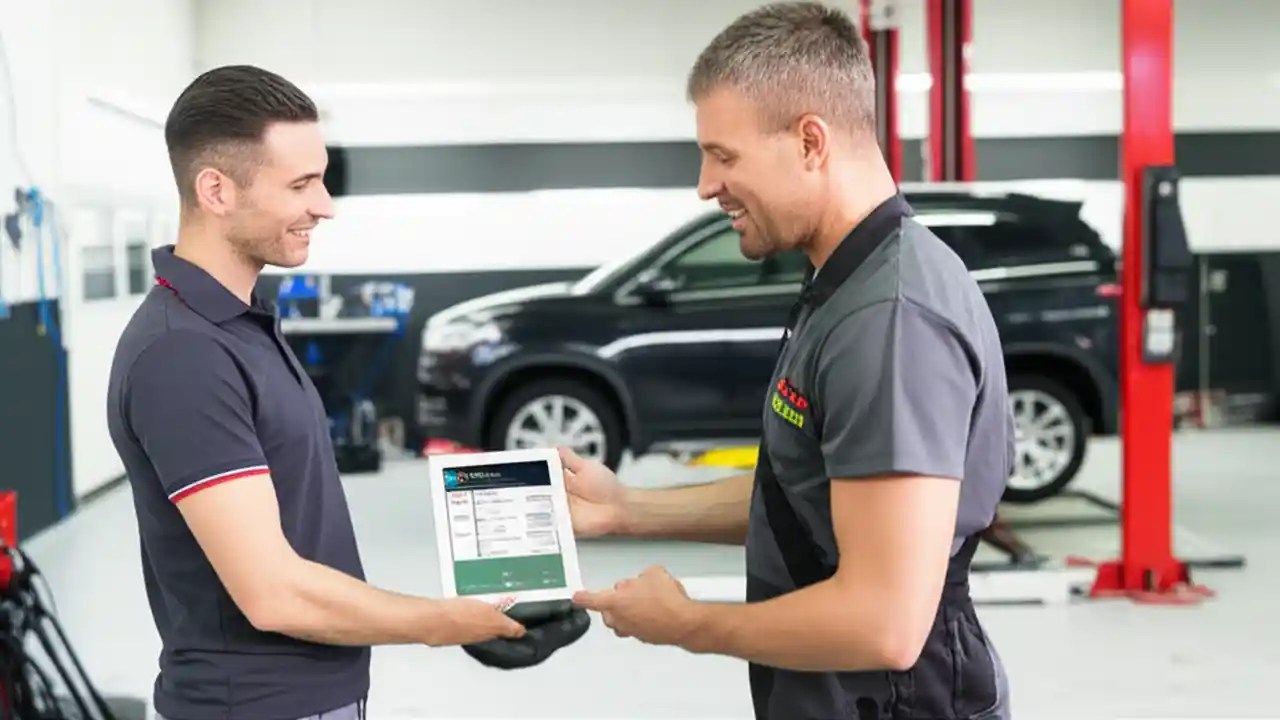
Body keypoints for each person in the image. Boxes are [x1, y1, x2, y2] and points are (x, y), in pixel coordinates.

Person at [565, 3, 1012, 719]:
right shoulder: (845, 281)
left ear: (810, 141)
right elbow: (809, 496)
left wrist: (689, 624)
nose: (706, 185)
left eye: (724, 154)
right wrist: (625, 509)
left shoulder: (889, 318)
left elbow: (885, 623)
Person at [106, 65, 525, 720]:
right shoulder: (182, 355)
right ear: (215, 190)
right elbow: (273, 593)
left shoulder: (240, 324)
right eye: (301, 183)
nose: (325, 204)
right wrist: (439, 622)